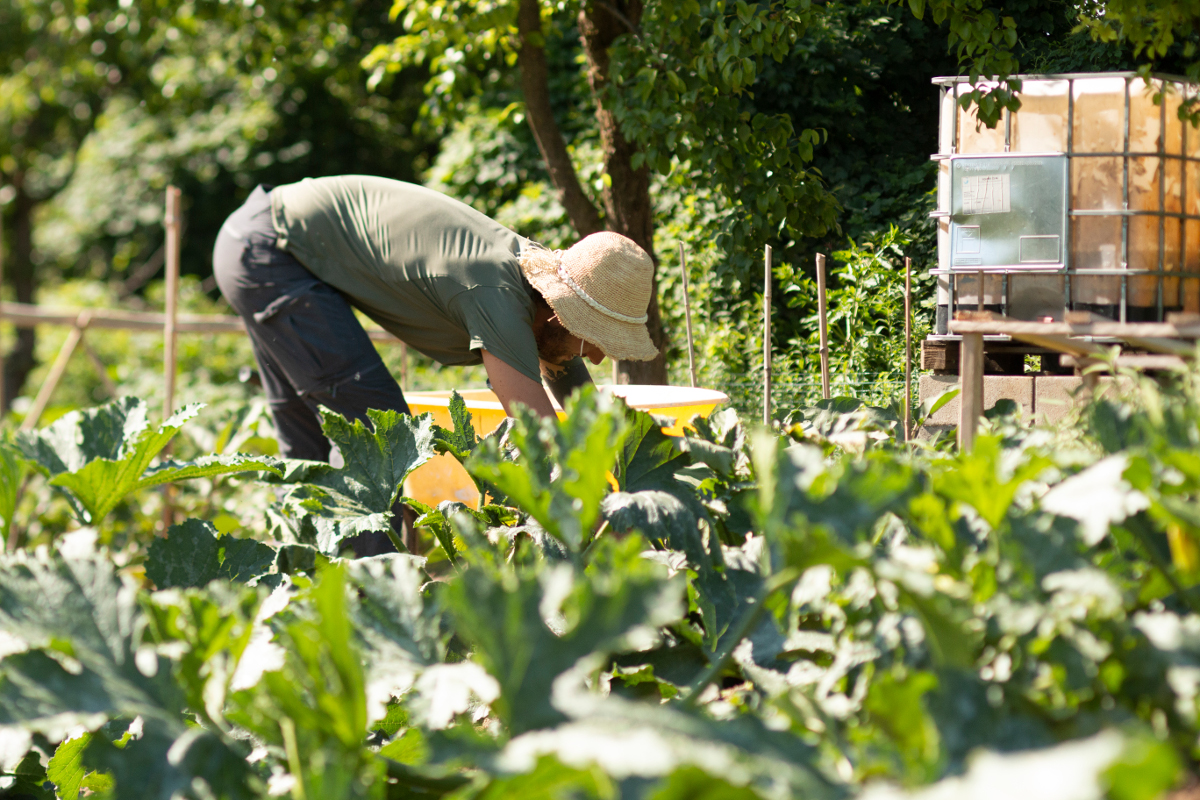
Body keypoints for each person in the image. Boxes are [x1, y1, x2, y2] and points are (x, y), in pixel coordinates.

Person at [212, 175, 658, 553]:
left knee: (310, 446)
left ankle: (305, 583)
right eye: (595, 339)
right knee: (380, 438)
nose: (599, 356)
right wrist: (610, 525)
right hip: (270, 251)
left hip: (260, 237)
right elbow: (537, 432)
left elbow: (583, 415)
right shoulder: (497, 295)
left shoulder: (532, 290)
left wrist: (624, 479)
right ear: (561, 313)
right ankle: (377, 604)